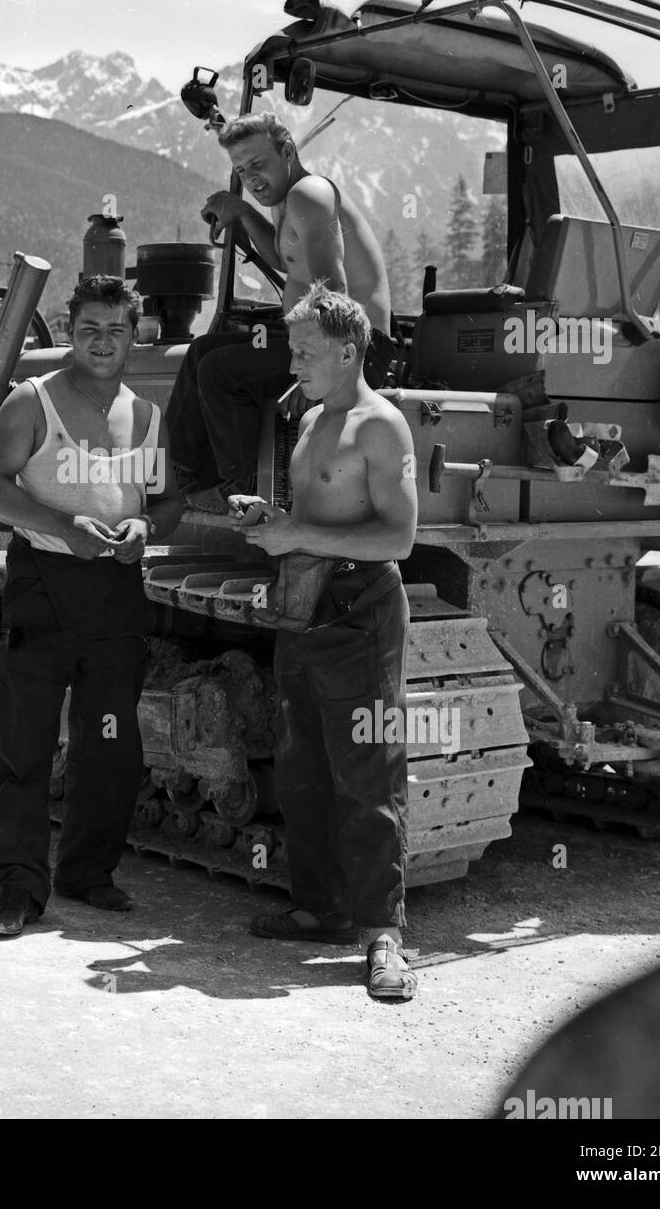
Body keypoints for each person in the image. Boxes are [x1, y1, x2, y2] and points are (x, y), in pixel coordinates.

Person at [0, 275, 185, 937]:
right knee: (25, 745)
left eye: (116, 330)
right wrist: (66, 529)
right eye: (90, 328)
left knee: (110, 747)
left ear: (133, 336)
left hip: (115, 592)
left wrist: (148, 527)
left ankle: (89, 873)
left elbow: (169, 499)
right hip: (43, 584)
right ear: (70, 331)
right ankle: (17, 887)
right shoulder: (30, 404)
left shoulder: (145, 416)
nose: (102, 341)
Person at [235, 286, 419, 1000]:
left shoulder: (383, 427)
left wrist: (297, 535)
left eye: (306, 350)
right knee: (302, 767)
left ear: (348, 351)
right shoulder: (311, 418)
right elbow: (313, 514)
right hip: (302, 604)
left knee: (369, 774)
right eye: (293, 348)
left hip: (357, 609)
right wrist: (272, 518)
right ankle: (322, 908)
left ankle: (385, 939)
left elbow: (398, 537)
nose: (294, 361)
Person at [166, 111, 393, 514]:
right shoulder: (288, 199)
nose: (251, 178)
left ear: (287, 151)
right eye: (240, 169)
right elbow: (290, 261)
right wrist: (242, 211)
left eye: (257, 164)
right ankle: (179, 480)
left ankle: (244, 490)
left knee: (220, 370)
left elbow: (332, 288)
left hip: (355, 351)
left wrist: (316, 370)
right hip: (322, 339)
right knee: (203, 350)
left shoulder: (310, 194)